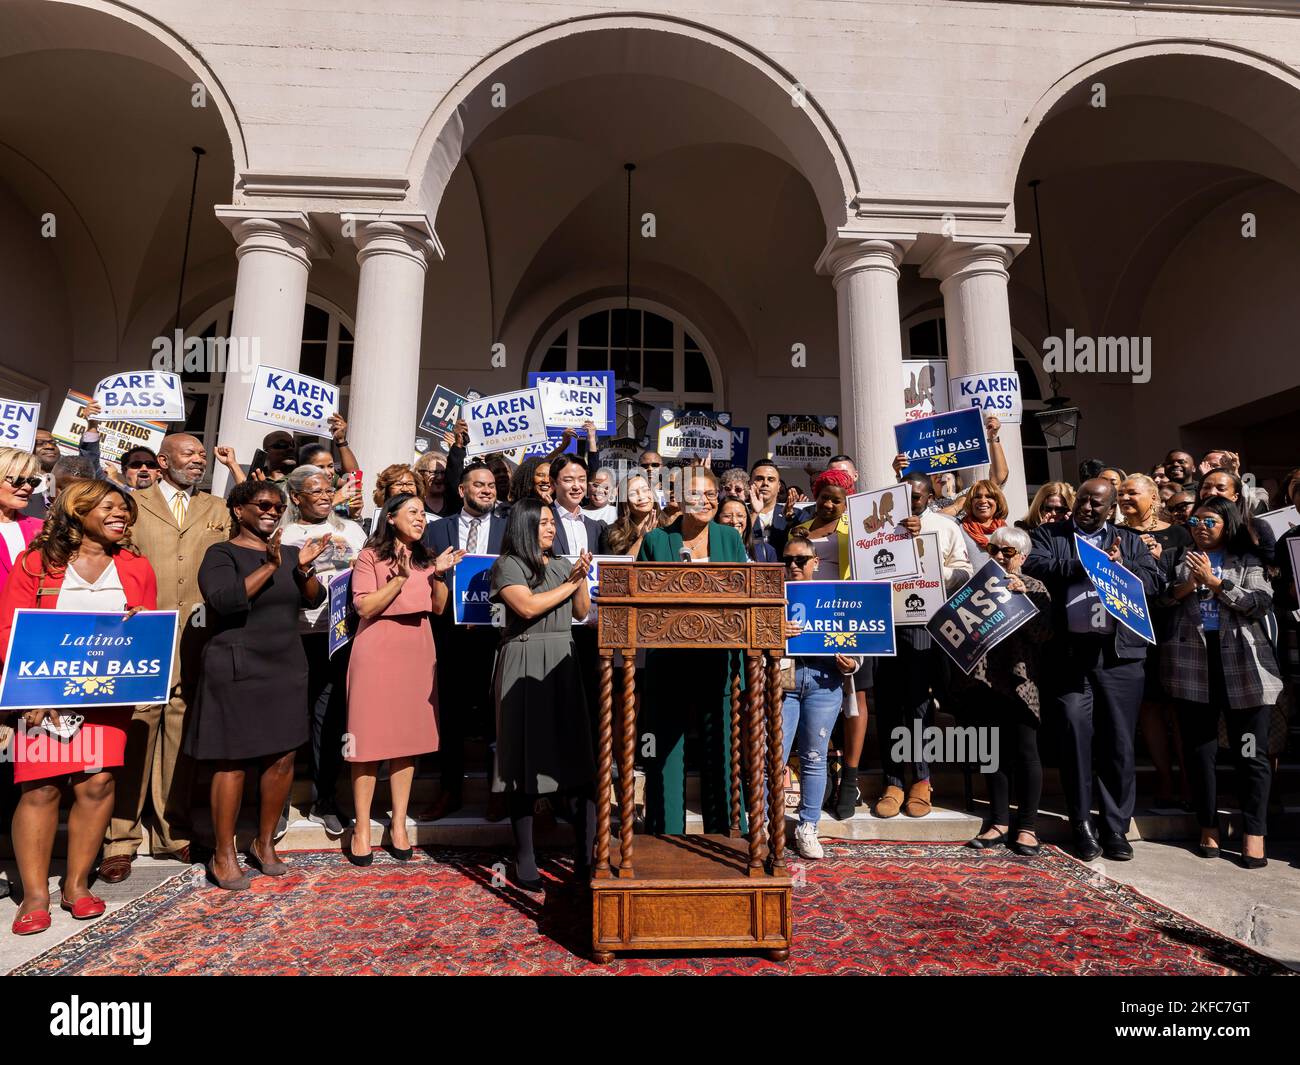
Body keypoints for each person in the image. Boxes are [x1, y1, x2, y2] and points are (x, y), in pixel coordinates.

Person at [0, 481, 158, 934]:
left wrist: (140, 624)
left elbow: (146, 623)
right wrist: (35, 694)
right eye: (109, 507)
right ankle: (33, 895)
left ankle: (76, 884)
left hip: (106, 696)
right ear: (78, 511)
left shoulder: (135, 565)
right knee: (40, 789)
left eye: (124, 510)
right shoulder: (37, 563)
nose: (120, 515)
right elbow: (9, 629)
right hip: (42, 699)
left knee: (97, 784)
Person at [184, 480, 329, 889]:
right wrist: (268, 564)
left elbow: (313, 599)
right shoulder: (221, 553)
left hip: (284, 665)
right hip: (236, 665)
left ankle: (264, 844)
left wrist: (301, 570)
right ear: (238, 509)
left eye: (278, 505)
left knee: (281, 758)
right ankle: (223, 852)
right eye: (263, 504)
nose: (271, 510)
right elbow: (225, 601)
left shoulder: (291, 554)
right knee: (231, 761)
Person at [99, 433, 230, 884]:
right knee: (140, 724)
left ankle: (172, 830)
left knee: (180, 726)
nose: (198, 459)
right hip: (143, 632)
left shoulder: (216, 508)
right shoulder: (130, 503)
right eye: (189, 453)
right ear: (163, 459)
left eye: (201, 454)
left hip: (195, 636)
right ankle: (120, 837)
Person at [1023, 478, 1162, 861]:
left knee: (1118, 744)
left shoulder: (1129, 541)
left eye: (1096, 503)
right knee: (1074, 737)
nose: (1086, 507)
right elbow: (1036, 564)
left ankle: (1115, 827)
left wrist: (1121, 569)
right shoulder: (1050, 534)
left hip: (1120, 657)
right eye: (1082, 500)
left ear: (1111, 507)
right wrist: (1089, 564)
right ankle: (1081, 823)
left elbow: (1153, 581)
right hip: (1071, 657)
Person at [1163, 496, 1280, 869]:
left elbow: (1259, 603)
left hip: (1242, 670)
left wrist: (1216, 582)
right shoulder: (1176, 558)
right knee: (1201, 754)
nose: (1200, 527)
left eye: (1209, 521)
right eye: (1196, 520)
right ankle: (1208, 826)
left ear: (1226, 524)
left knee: (1250, 754)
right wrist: (1186, 585)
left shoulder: (1247, 561)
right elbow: (1159, 599)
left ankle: (1254, 832)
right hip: (1193, 668)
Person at [346, 494, 461, 865]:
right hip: (377, 645)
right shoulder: (370, 556)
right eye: (412, 512)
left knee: (406, 741)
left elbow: (440, 607)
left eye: (423, 514)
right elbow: (365, 606)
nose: (421, 519)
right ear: (391, 517)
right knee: (366, 739)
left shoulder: (428, 558)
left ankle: (398, 823)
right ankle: (362, 827)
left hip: (417, 646)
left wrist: (439, 574)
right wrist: (398, 580)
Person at [490, 499, 596, 890]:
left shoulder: (563, 565)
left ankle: (585, 859)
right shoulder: (509, 565)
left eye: (554, 522)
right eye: (545, 522)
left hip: (563, 660)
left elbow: (581, 612)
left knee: (581, 761)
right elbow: (529, 607)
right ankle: (525, 859)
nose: (552, 528)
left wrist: (580, 577)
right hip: (523, 657)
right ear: (526, 525)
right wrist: (570, 581)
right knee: (522, 762)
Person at [639, 466, 749, 834]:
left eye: (711, 495)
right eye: (695, 494)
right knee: (664, 754)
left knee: (723, 750)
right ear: (678, 500)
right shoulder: (656, 540)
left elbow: (744, 592)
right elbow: (639, 596)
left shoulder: (729, 539)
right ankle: (664, 833)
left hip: (718, 661)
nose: (705, 501)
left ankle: (728, 834)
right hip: (668, 662)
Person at [873, 474, 973, 818]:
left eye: (916, 497)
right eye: (903, 495)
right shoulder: (878, 525)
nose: (910, 501)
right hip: (884, 620)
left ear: (930, 497)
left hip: (922, 620)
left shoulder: (944, 527)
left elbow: (963, 571)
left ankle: (921, 779)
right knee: (887, 703)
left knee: (917, 703)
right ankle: (893, 781)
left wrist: (924, 551)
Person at [279, 465, 368, 837]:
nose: (324, 495)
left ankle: (325, 799)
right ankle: (277, 804)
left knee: (329, 720)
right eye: (314, 491)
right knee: (285, 721)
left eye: (328, 489)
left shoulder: (352, 531)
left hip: (339, 639)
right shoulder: (283, 533)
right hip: (294, 637)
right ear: (296, 497)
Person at [956, 526, 1051, 855]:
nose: (998, 556)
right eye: (993, 550)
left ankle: (1027, 827)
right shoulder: (977, 587)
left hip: (1021, 682)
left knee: (1026, 753)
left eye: (1007, 552)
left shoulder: (1036, 588)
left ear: (1022, 557)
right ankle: (998, 821)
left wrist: (1021, 596)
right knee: (991, 754)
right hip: (983, 681)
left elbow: (1042, 636)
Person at [423, 462, 508, 821]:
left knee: (496, 716)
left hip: (497, 637)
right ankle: (449, 790)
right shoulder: (437, 530)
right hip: (450, 637)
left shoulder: (508, 529)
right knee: (452, 716)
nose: (487, 490)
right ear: (462, 490)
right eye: (479, 485)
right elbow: (424, 577)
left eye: (491, 485)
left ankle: (497, 792)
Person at [778, 529, 860, 859]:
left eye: (800, 559)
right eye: (788, 560)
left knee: (814, 757)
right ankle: (768, 822)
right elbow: (752, 637)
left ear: (815, 561)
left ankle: (808, 825)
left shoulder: (835, 594)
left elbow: (858, 640)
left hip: (825, 681)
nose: (794, 565)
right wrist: (774, 630)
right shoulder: (773, 595)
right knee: (773, 756)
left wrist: (852, 662)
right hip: (784, 680)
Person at [1118, 473, 1193, 808]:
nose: (1124, 499)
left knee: (1178, 706)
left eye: (1132, 493)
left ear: (1153, 496)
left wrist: (1160, 558)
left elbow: (1185, 577)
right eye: (1120, 494)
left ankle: (1189, 779)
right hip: (1135, 628)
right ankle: (1164, 777)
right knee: (1149, 705)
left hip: (1174, 627)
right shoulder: (1117, 536)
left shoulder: (1179, 533)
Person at [790, 469, 853, 578]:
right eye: (824, 497)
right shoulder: (796, 531)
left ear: (845, 505)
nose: (828, 504)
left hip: (842, 593)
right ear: (816, 496)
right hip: (805, 592)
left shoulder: (853, 530)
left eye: (836, 501)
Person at [599, 472, 660, 557]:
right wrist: (642, 538)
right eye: (633, 494)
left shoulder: (667, 527)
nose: (641, 497)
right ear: (625, 501)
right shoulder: (611, 533)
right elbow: (615, 569)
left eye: (645, 490)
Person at [748, 459, 790, 554]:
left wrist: (790, 518)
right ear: (749, 483)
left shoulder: (794, 515)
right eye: (759, 479)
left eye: (771, 479)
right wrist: (754, 513)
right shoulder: (739, 514)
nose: (765, 483)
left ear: (779, 486)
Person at [717, 497, 777, 562]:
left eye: (740, 516)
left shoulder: (766, 551)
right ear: (717, 518)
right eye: (727, 516)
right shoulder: (708, 549)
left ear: (746, 519)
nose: (734, 521)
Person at [959, 479, 1009, 551]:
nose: (983, 501)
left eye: (989, 496)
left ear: (997, 502)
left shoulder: (1006, 531)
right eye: (977, 497)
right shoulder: (960, 530)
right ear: (970, 502)